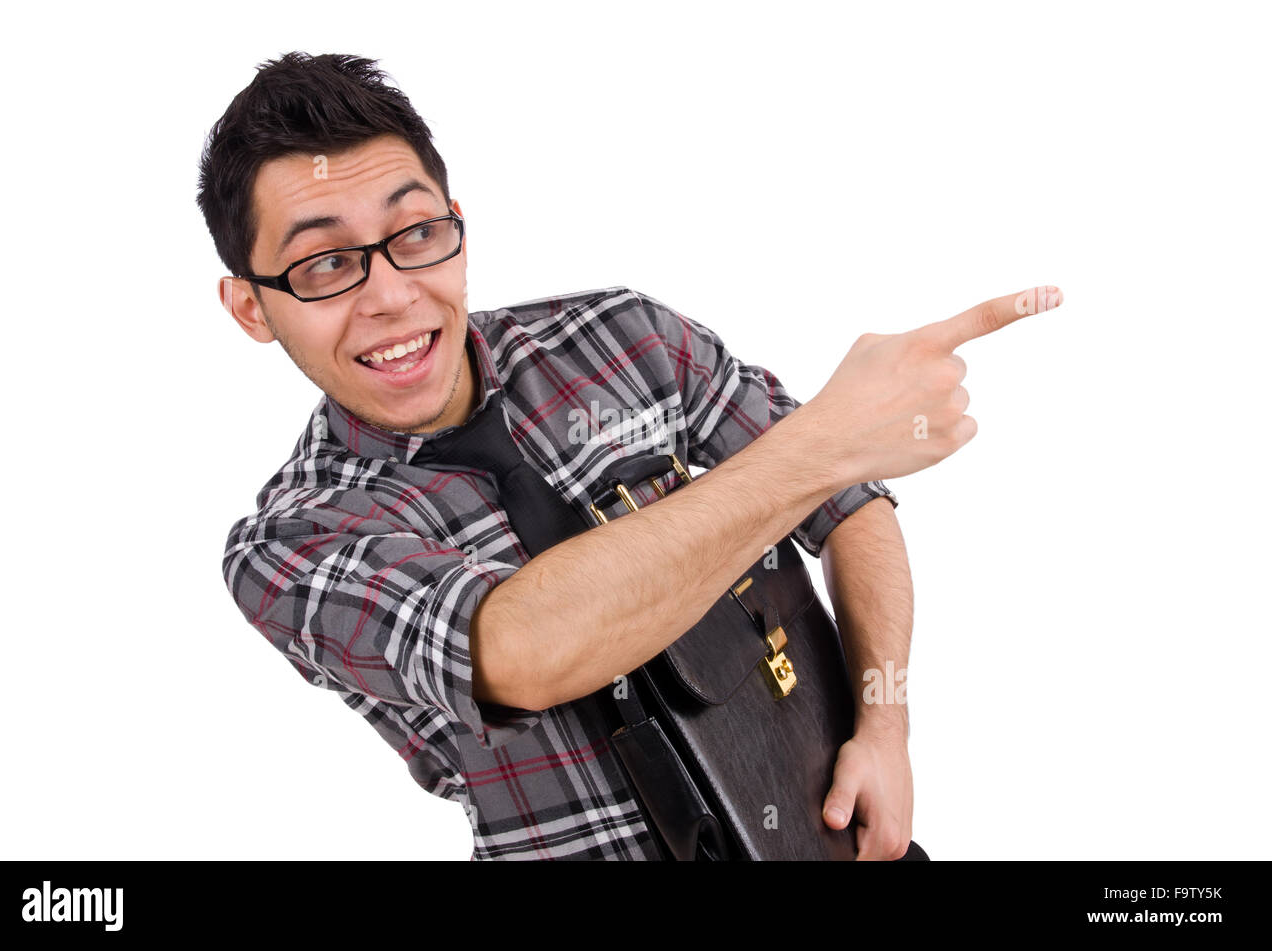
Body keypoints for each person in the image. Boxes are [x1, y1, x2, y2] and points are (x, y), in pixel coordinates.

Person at [199, 51, 1060, 861]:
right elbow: (524, 649)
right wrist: (824, 440)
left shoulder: (623, 336)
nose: (390, 294)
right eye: (323, 265)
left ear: (458, 226)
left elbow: (849, 508)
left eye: (417, 233)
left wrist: (885, 729)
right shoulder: (291, 543)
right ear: (248, 307)